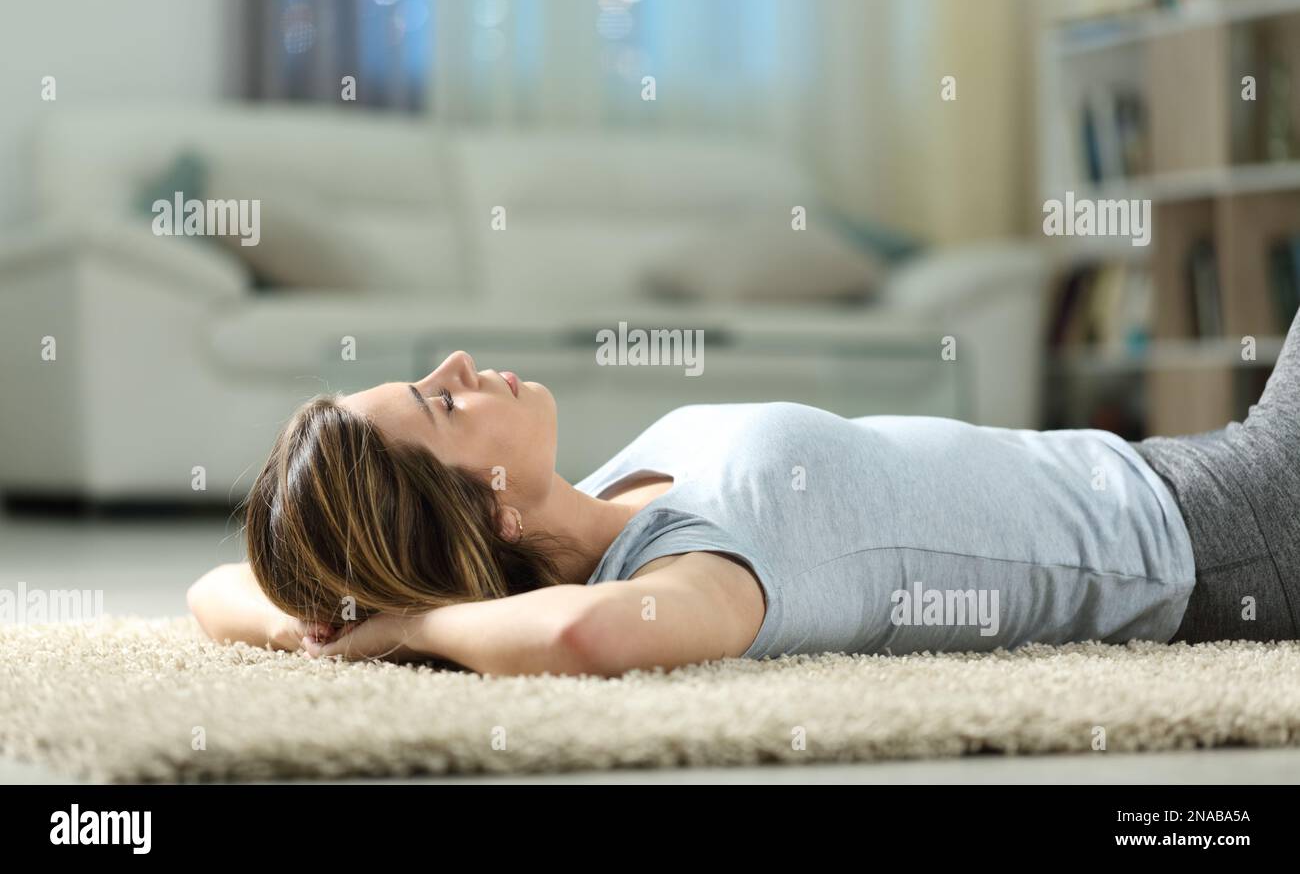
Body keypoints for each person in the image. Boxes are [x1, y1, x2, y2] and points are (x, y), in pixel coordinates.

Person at [187, 311, 1300, 677]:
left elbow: (210, 588)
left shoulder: (621, 494)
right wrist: (405, 624)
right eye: (438, 407)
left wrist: (351, 618)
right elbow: (584, 631)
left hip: (1181, 467)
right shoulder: (688, 570)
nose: (459, 369)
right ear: (485, 510)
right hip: (1241, 532)